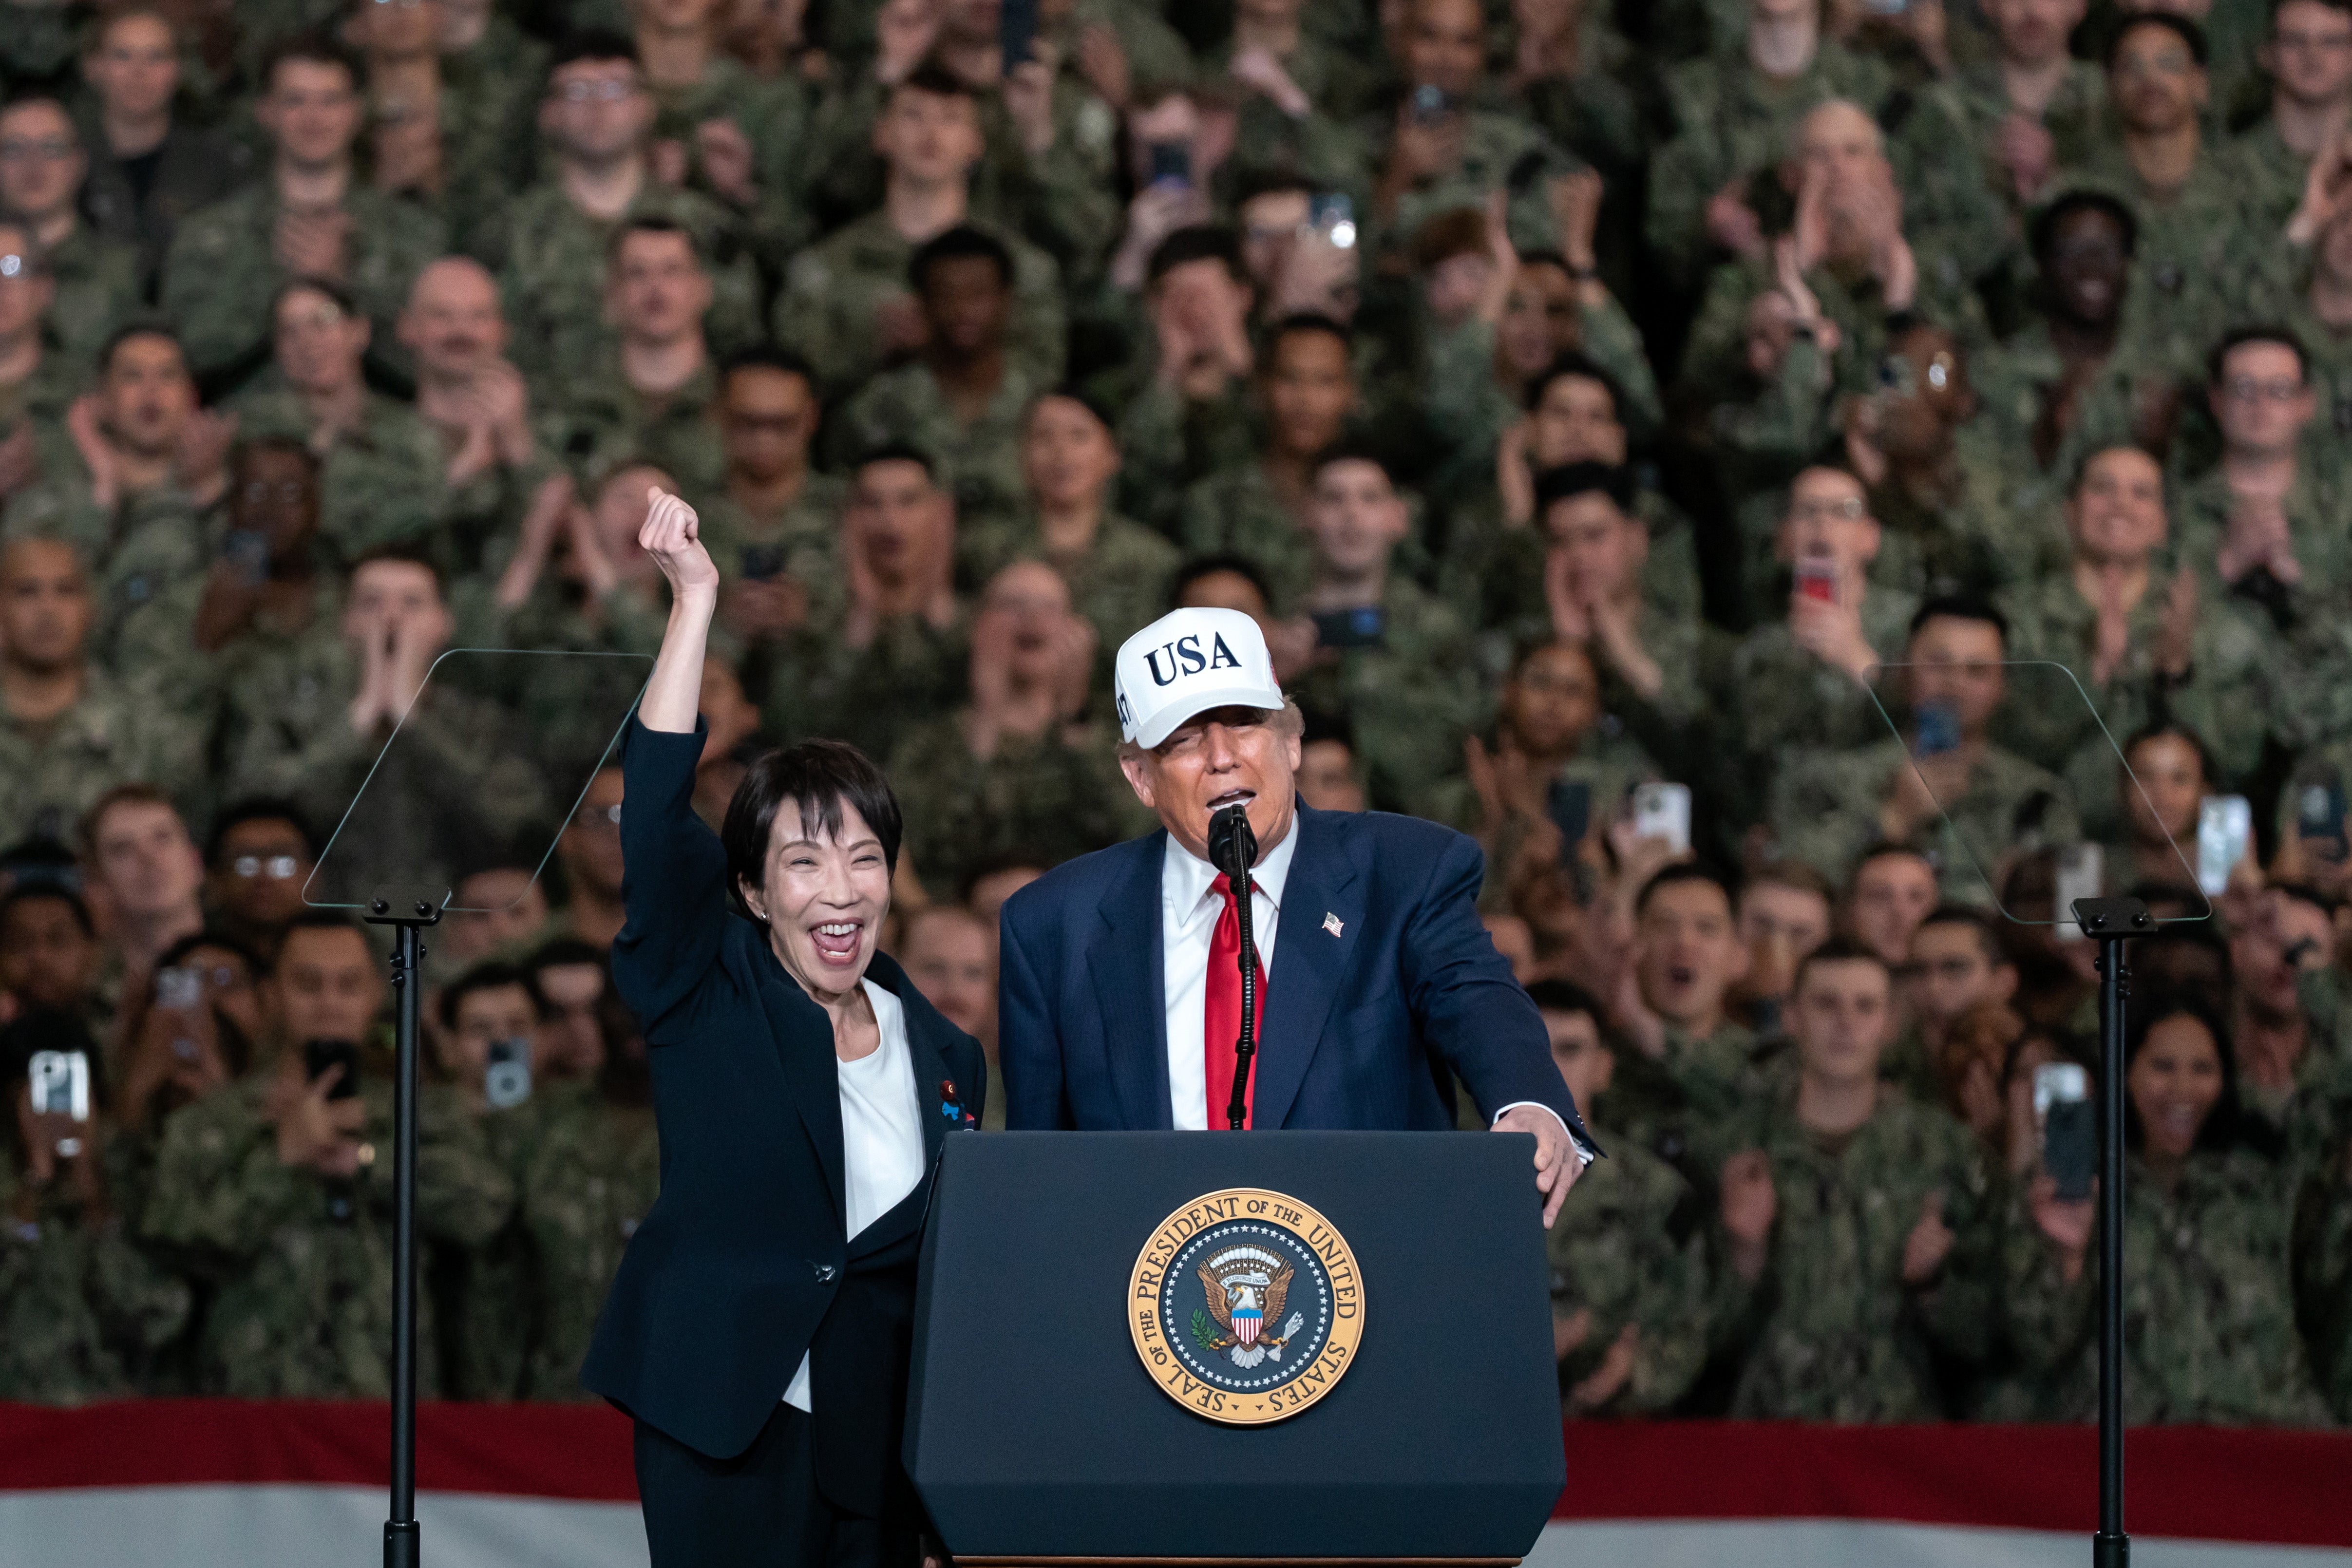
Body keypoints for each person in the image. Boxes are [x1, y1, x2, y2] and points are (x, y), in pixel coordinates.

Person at [587, 486, 985, 1568]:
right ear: (755, 894)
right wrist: (694, 601)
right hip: (727, 1420)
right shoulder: (704, 987)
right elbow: (655, 808)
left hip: (880, 1447)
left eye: (863, 858)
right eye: (803, 862)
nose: (840, 889)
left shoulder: (946, 1052)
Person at [997, 604, 1593, 1223]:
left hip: (1371, 1264)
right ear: (1140, 777)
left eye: (1245, 724)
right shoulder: (1054, 925)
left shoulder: (1404, 873)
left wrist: (1529, 1103)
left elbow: (1477, 999)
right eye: (1183, 740)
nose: (1222, 757)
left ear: (1291, 740)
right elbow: (1038, 1180)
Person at [139, 910, 513, 1396]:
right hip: (250, 1402)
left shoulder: (422, 1113)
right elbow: (174, 1245)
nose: (329, 1002)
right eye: (308, 985)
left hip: (392, 1400)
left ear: (375, 994)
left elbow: (486, 1209)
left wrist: (366, 1161)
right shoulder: (211, 1123)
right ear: (272, 994)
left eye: (348, 985)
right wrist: (281, 1159)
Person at [2006, 998, 2337, 1424]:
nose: (2183, 1087)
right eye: (2163, 1066)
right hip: (2130, 1441)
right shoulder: (2079, 1188)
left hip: (2265, 1434)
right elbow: (2039, 1345)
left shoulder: (2264, 1188)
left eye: (2203, 1069)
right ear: (2125, 1074)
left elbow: (2329, 1302)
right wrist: (2067, 1259)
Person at [1710, 938, 1996, 1420]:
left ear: (1890, 1023)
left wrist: (1932, 1284)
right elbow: (1698, 1343)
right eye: (1826, 1004)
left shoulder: (1944, 1151)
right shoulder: (1737, 1147)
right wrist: (1744, 1254)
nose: (1846, 1023)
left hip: (1900, 1425)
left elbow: (1988, 1339)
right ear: (1792, 1017)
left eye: (1865, 1006)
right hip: (1769, 1424)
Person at [159, 33, 445, 386]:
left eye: (330, 101)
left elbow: (430, 364)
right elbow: (186, 362)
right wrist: (282, 285)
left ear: (355, 113)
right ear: (266, 112)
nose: (314, 117)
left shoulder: (411, 231)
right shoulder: (209, 233)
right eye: (295, 101)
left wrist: (343, 287)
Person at [1770, 597, 2079, 886]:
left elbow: (2068, 906)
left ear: (2003, 686)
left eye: (1977, 671)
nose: (1955, 684)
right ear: (1903, 671)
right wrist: (1894, 820)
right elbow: (1800, 889)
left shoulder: (2039, 799)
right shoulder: (1830, 782)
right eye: (1939, 664)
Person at [1532, 980, 1707, 1417]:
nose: (1549, 1068)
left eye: (1570, 1050)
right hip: (1478, 1426)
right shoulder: (1458, 1187)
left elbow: (1691, 1324)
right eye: (1531, 1050)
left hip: (1615, 1429)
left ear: (1602, 1068)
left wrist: (1632, 1370)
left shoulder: (1653, 1191)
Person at [0, 536, 193, 848]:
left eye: (66, 591)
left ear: (90, 609)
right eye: (26, 591)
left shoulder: (147, 730)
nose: (48, 610)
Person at [75, 8, 256, 287]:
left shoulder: (219, 164)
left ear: (178, 69)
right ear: (93, 67)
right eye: (123, 56)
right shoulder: (63, 163)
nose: (139, 72)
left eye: (156, 57)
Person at [0, 97, 143, 363]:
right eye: (14, 149)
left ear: (79, 163)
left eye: (52, 148)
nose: (33, 164)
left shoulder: (123, 269)